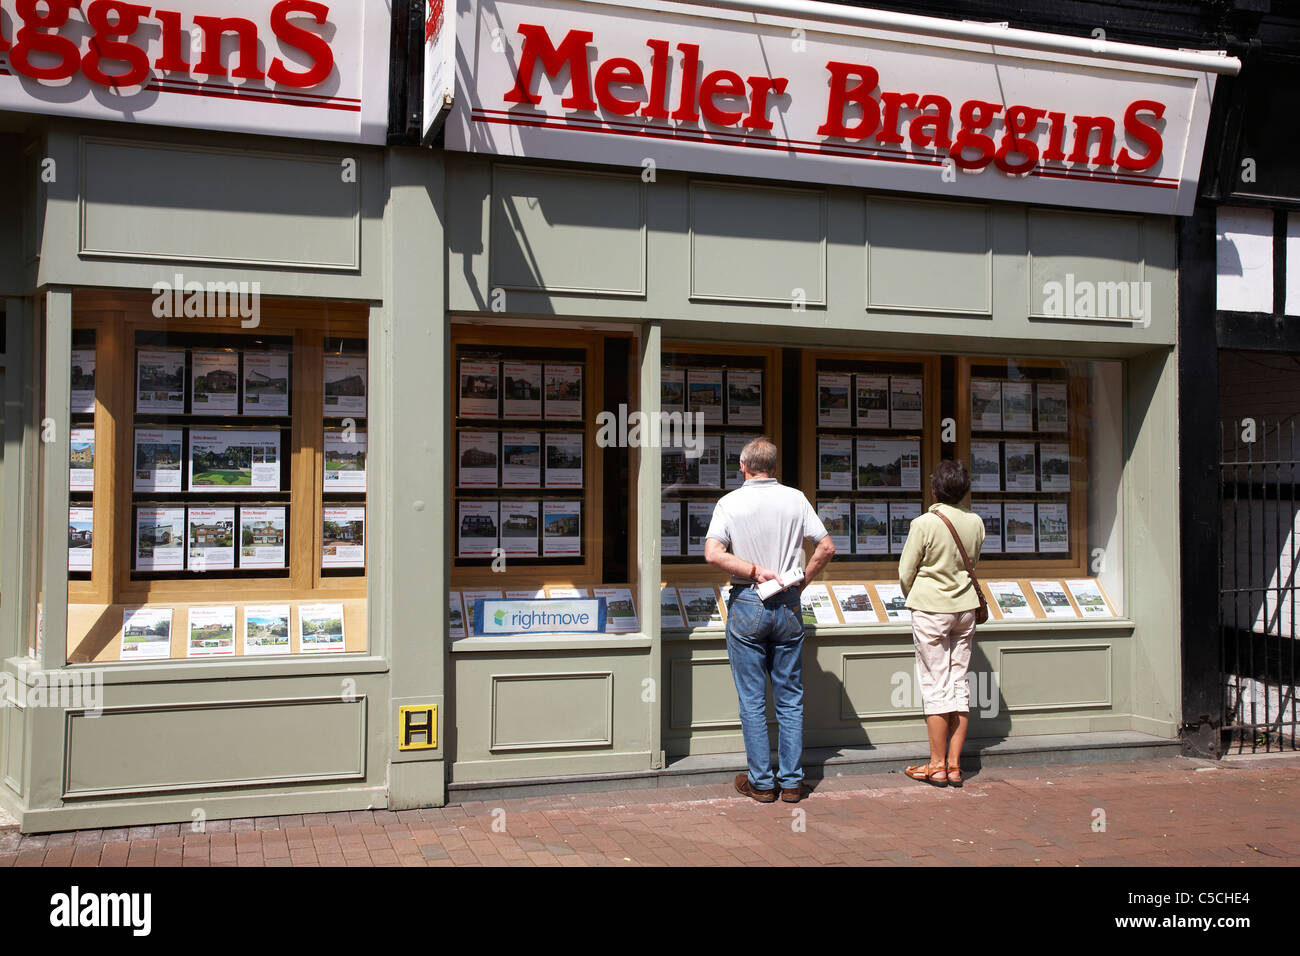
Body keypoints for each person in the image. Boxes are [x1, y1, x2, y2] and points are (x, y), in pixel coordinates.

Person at [704, 436, 835, 804]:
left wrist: (753, 570)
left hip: (747, 599)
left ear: (743, 468)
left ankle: (762, 783)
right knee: (790, 698)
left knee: (752, 700)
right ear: (775, 469)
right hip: (788, 602)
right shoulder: (794, 498)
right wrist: (802, 580)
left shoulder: (730, 502)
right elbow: (826, 546)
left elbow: (713, 553)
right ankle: (792, 782)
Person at [898, 459, 985, 788]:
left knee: (935, 686)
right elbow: (972, 562)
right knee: (958, 684)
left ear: (934, 489)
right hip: (965, 609)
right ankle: (954, 766)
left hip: (931, 609)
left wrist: (916, 594)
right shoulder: (976, 522)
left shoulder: (923, 523)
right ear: (965, 490)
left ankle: (935, 765)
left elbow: (906, 571)